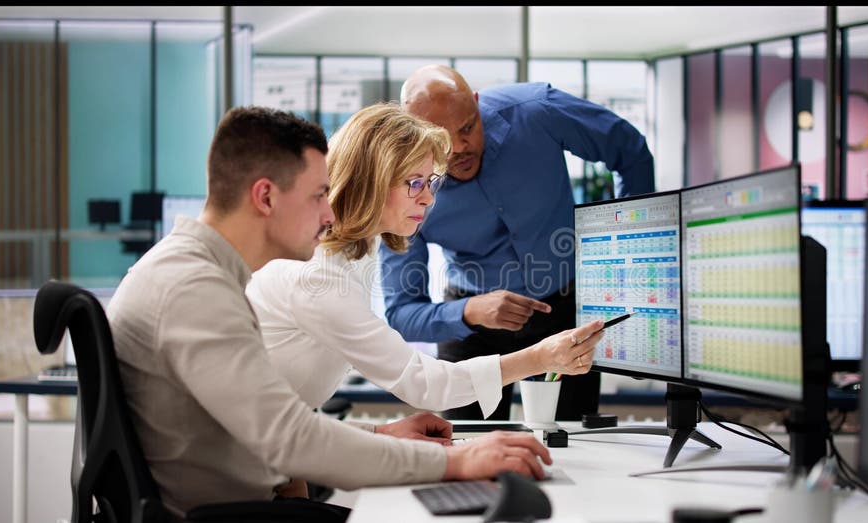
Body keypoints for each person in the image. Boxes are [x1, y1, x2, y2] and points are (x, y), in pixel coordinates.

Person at [106, 106, 557, 521]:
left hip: (242, 495)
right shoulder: (196, 289)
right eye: (319, 195)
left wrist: (378, 437)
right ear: (266, 197)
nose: (330, 211)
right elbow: (288, 438)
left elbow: (267, 424)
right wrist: (456, 460)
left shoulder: (193, 270)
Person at [246, 103, 604, 419]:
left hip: (274, 447)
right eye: (414, 183)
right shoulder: (318, 276)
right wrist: (541, 358)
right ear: (371, 180)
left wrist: (380, 435)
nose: (430, 198)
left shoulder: (355, 252)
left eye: (430, 181)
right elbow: (420, 382)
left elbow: (287, 414)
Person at [379, 65, 656, 421]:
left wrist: (626, 250)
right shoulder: (402, 191)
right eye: (442, 140)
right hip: (471, 329)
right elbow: (401, 313)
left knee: (574, 444)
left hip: (566, 314)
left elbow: (629, 150)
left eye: (467, 128)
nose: (460, 147)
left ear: (476, 105)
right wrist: (468, 312)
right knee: (465, 450)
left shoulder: (536, 110)